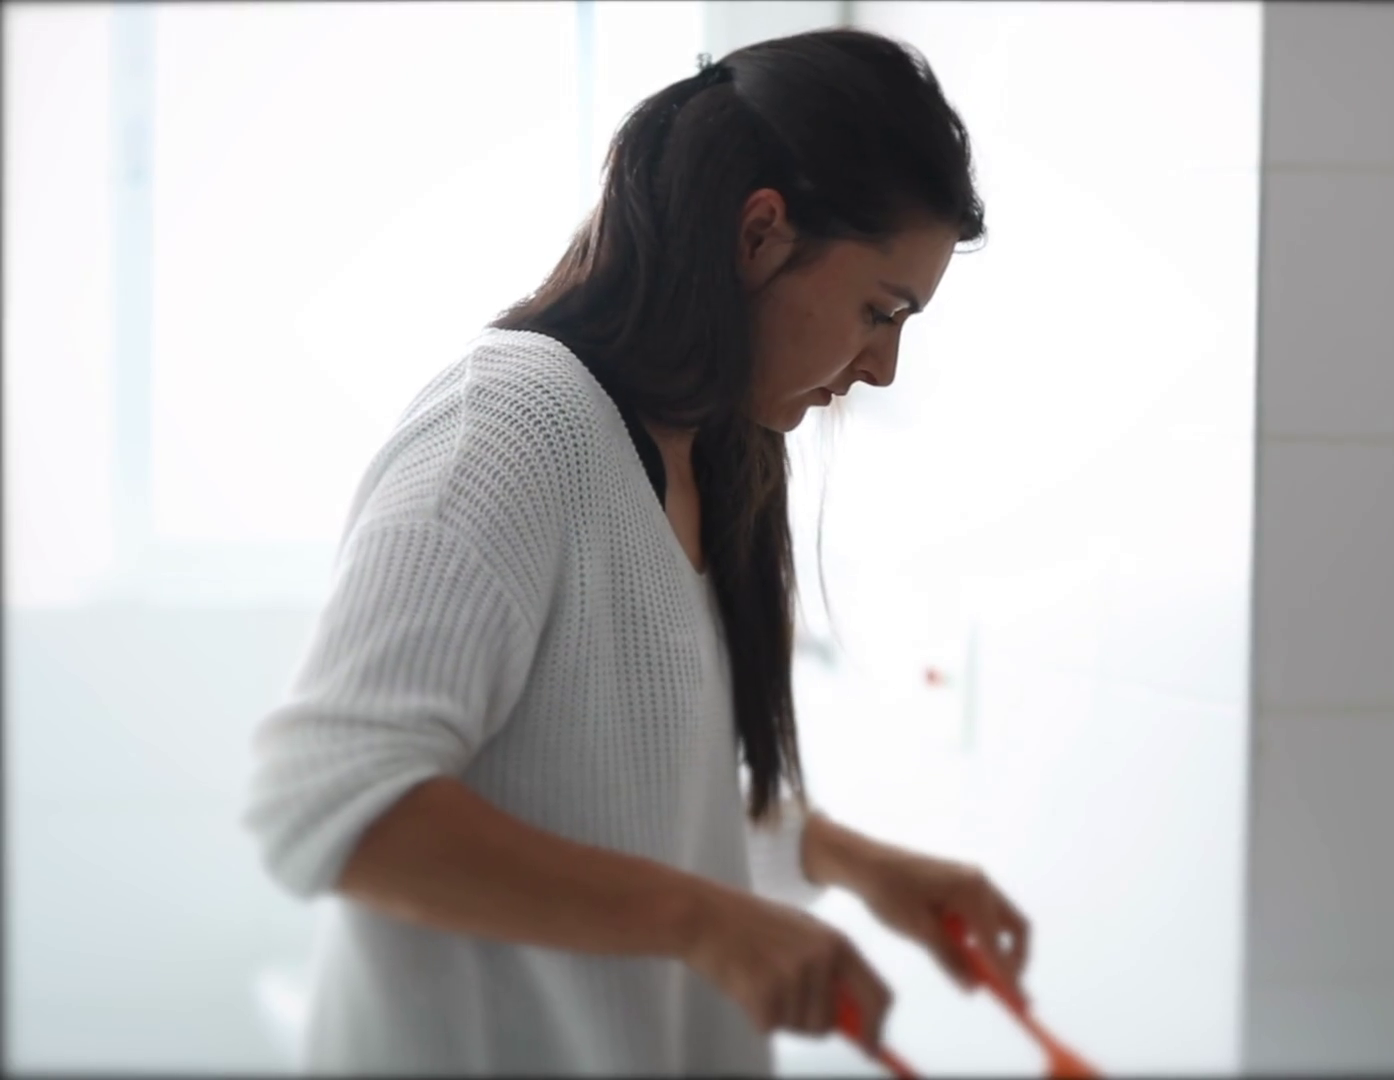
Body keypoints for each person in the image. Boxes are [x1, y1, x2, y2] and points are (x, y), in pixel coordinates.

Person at [243, 28, 1030, 1076]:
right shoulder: (515, 427)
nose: (881, 368)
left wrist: (846, 859)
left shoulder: (719, 456)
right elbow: (325, 797)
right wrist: (703, 922)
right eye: (879, 311)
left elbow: (617, 802)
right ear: (761, 233)